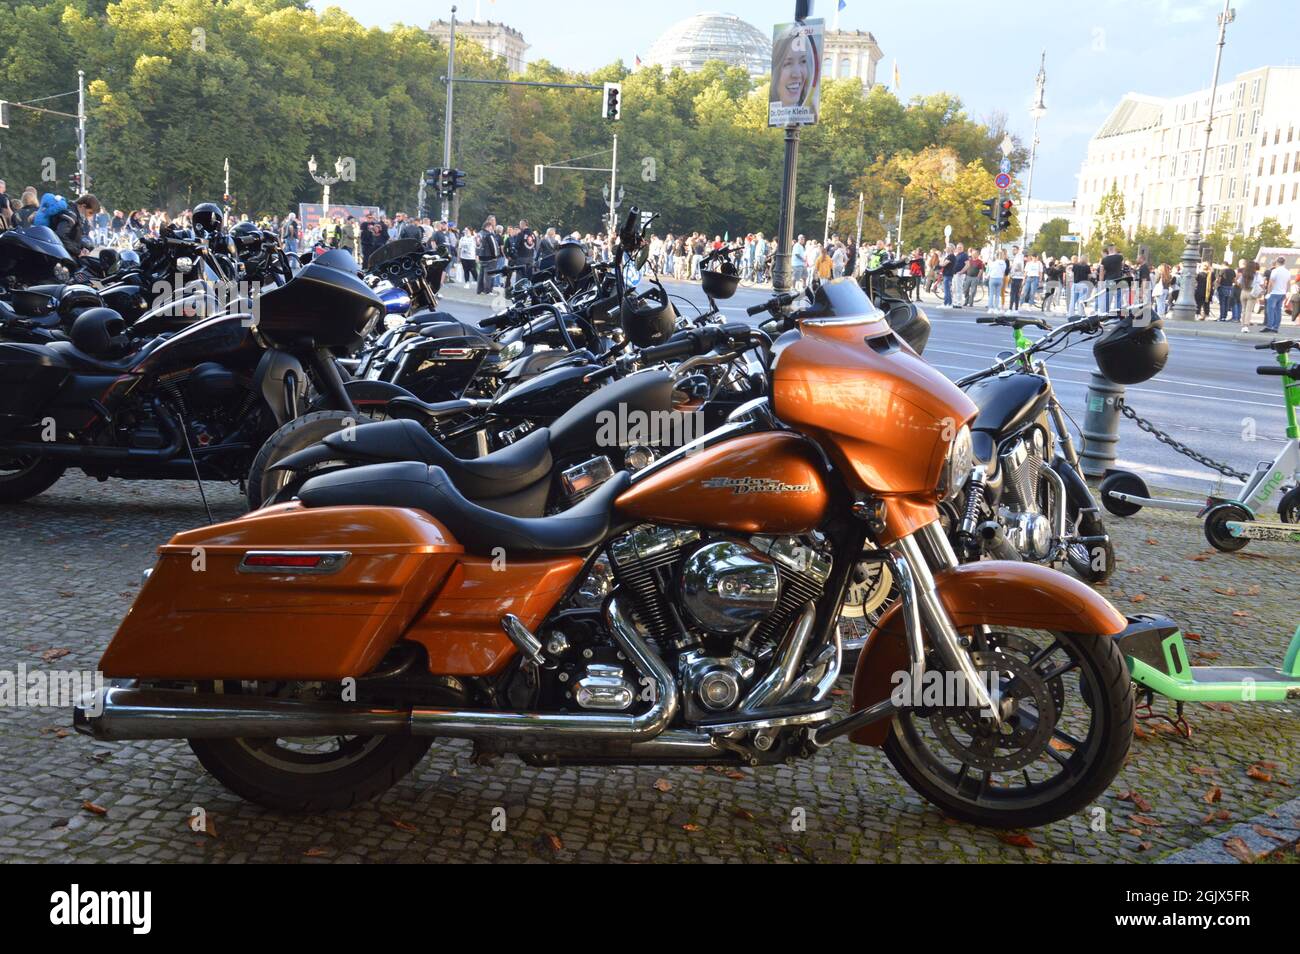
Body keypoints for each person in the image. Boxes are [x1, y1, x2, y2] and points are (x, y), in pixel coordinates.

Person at [53, 193, 100, 258]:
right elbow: (60, 236)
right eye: (90, 213)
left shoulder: (76, 214)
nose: (90, 216)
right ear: (83, 206)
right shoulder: (71, 215)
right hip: (62, 255)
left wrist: (83, 248)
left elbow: (74, 236)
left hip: (66, 252)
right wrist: (78, 251)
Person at [1264, 256, 1291, 334]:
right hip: (1282, 293)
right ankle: (1275, 327)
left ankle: (1269, 326)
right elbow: (1288, 283)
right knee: (1278, 310)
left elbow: (1271, 283)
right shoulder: (1287, 271)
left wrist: (1268, 293)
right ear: (1284, 262)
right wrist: (1287, 292)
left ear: (1277, 262)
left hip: (1274, 293)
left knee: (1270, 310)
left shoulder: (1275, 271)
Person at [476, 216, 502, 295]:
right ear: (488, 226)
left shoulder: (479, 233)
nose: (492, 228)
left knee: (481, 274)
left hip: (481, 257)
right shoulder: (489, 234)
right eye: (491, 226)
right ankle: (488, 290)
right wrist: (495, 256)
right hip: (489, 257)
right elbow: (493, 246)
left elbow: (477, 246)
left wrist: (477, 255)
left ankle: (479, 290)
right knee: (489, 274)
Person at [1239, 260, 1262, 333]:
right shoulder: (1257, 275)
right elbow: (1261, 284)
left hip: (1243, 292)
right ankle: (1245, 326)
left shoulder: (1244, 274)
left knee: (1244, 310)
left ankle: (1243, 325)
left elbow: (1238, 282)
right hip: (1252, 292)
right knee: (1248, 310)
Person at [1099, 244, 1123, 313]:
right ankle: (1119, 315)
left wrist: (1101, 282)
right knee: (1118, 299)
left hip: (1109, 280)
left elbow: (1101, 272)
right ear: (1114, 249)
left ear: (1108, 250)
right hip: (1119, 279)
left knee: (1108, 299)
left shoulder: (1104, 259)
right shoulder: (1119, 257)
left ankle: (1106, 314)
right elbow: (1122, 266)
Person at [986, 249, 1008, 314]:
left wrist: (987, 276)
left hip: (993, 278)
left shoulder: (993, 263)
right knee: (998, 295)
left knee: (991, 294)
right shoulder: (1004, 263)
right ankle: (996, 308)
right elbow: (1003, 271)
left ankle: (990, 308)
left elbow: (990, 271)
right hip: (1000, 279)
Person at [1008, 245, 1025, 311]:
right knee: (1016, 294)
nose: (1013, 251)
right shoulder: (1019, 256)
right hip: (1018, 277)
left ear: (1018, 250)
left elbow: (1019, 267)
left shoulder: (1018, 257)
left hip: (1016, 277)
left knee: (1013, 293)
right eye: (1012, 249)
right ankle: (1015, 309)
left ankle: (1010, 309)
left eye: (1014, 249)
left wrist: (1012, 273)